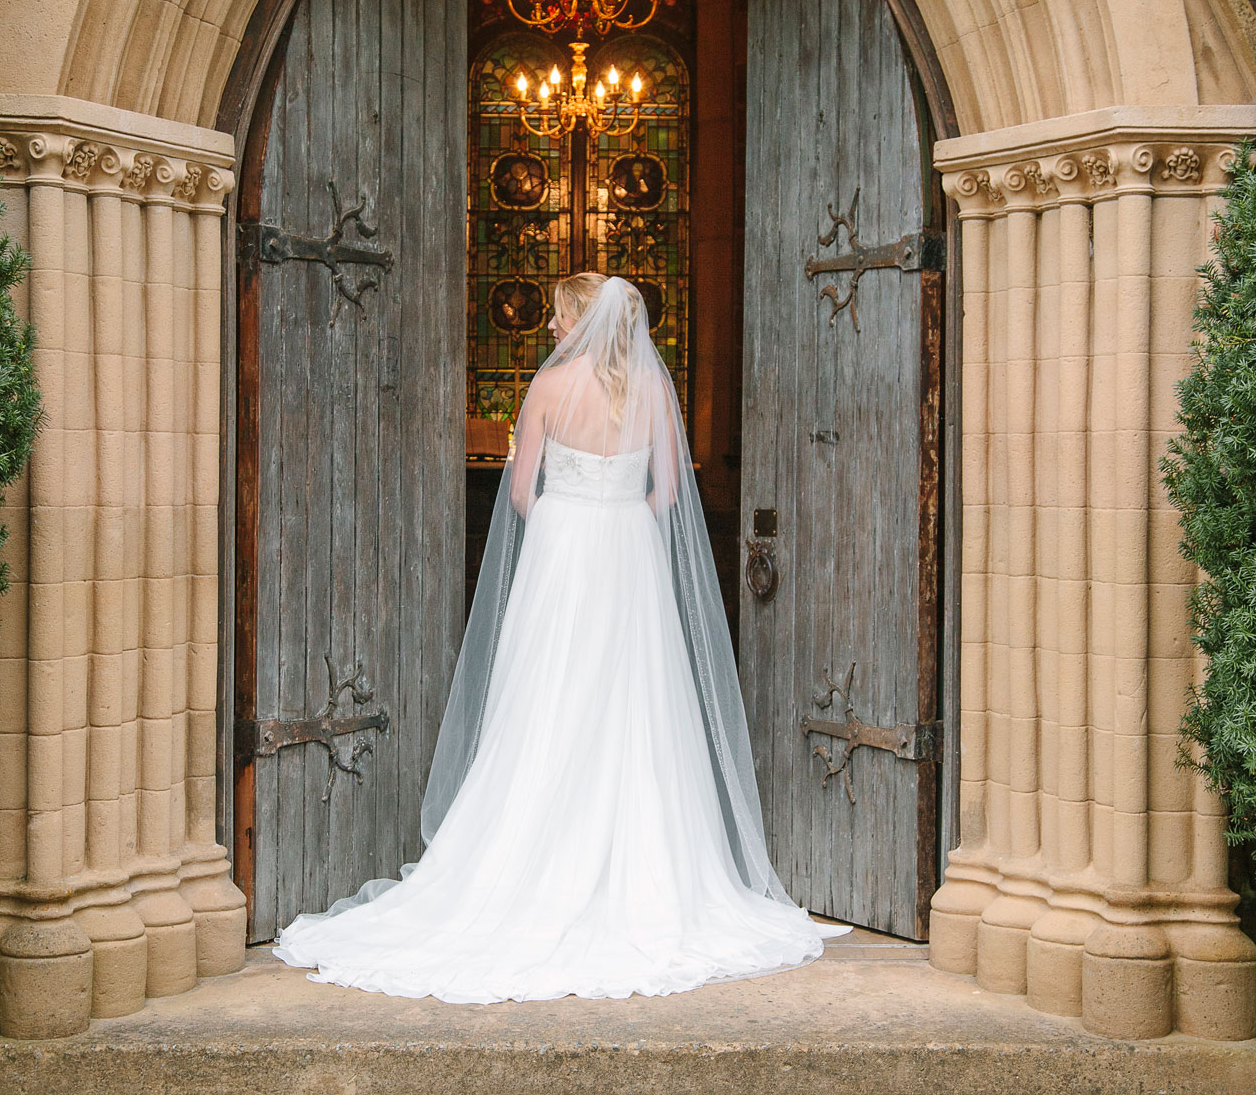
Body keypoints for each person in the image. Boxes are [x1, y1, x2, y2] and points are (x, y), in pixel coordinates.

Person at [273, 272, 845, 1003]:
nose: (548, 328)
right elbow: (668, 494)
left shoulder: (545, 390)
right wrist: (620, 503)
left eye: (555, 315)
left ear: (580, 319)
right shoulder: (651, 394)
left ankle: (523, 855)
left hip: (563, 546)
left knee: (547, 692)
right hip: (629, 549)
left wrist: (566, 506)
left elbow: (518, 493)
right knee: (636, 699)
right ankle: (648, 871)